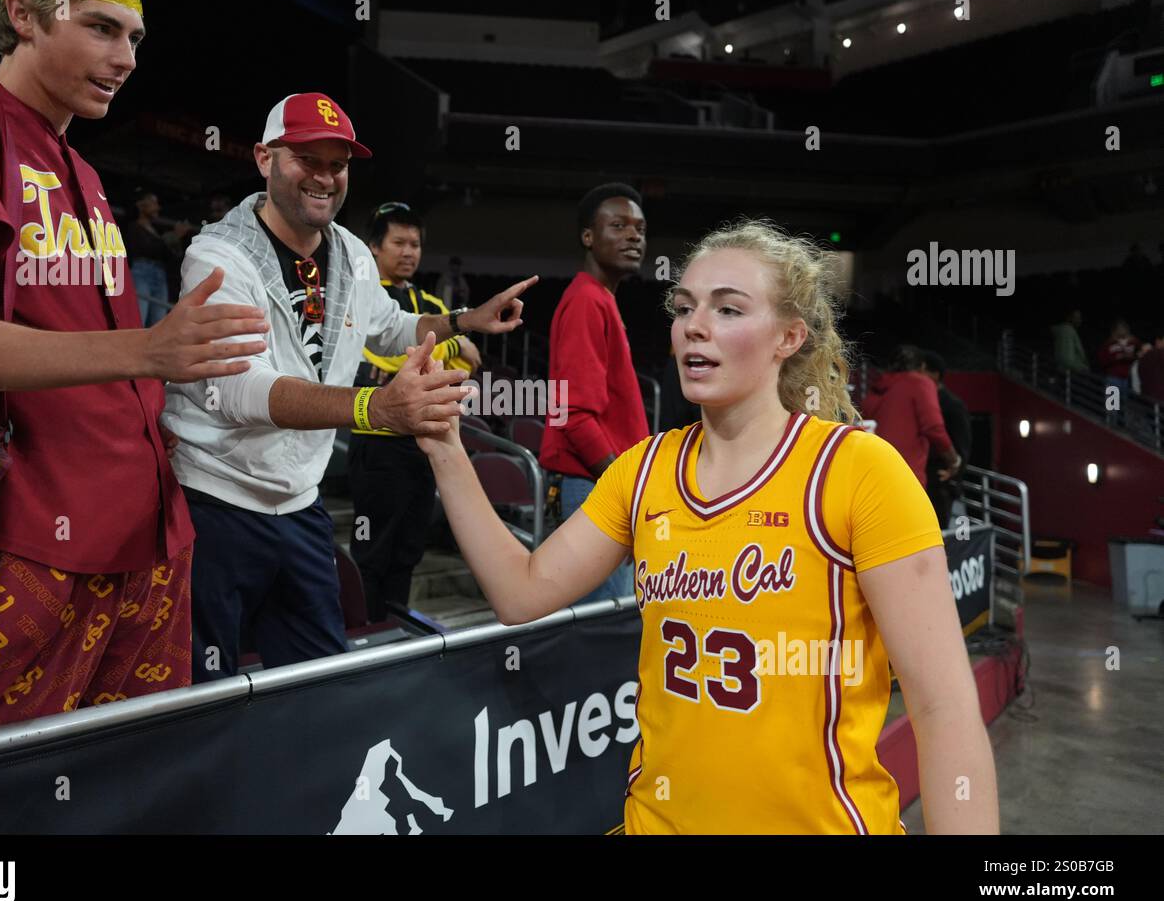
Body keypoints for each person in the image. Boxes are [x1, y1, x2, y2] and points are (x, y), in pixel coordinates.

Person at [413, 219, 998, 833]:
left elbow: (944, 710)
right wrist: (446, 447)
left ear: (788, 337)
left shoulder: (858, 471)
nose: (695, 325)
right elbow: (520, 590)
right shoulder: (643, 471)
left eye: (728, 309)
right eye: (685, 307)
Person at [0, 0, 267, 743]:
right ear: (22, 14)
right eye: (100, 28)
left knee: (129, 793)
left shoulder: (83, 168)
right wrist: (150, 350)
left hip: (154, 534)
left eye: (136, 38)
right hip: (28, 536)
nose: (127, 58)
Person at [160, 92, 534, 681]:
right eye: (307, 158)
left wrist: (463, 320)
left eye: (338, 164)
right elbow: (237, 390)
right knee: (203, 692)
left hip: (299, 503)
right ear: (264, 158)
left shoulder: (354, 254)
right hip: (216, 503)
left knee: (321, 685)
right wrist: (374, 407)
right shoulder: (218, 257)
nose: (325, 177)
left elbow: (390, 329)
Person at [349, 202, 483, 621]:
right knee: (373, 550)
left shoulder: (427, 301)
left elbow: (466, 365)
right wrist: (448, 343)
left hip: (423, 443)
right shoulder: (362, 299)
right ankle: (361, 634)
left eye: (415, 244)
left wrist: (440, 348)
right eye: (399, 242)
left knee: (408, 548)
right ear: (374, 247)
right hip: (378, 441)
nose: (409, 251)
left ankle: (394, 629)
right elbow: (377, 357)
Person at [538, 182, 650, 604]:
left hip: (596, 484)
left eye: (639, 228)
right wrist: (625, 488)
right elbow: (575, 414)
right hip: (595, 485)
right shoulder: (587, 300)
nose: (633, 236)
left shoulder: (599, 298)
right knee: (600, 628)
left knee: (603, 621)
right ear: (588, 236)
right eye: (618, 226)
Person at [860, 345, 961, 490]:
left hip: (873, 477)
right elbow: (934, 428)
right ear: (922, 366)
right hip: (907, 477)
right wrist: (954, 461)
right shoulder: (920, 383)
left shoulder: (876, 389)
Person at [125, 188, 191, 326]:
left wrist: (175, 239)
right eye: (153, 202)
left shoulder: (156, 232)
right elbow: (147, 249)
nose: (157, 207)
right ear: (141, 205)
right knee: (139, 318)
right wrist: (173, 236)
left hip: (159, 274)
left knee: (158, 322)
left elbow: (170, 256)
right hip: (142, 272)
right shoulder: (133, 227)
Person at [920, 350, 971, 529]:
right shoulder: (922, 399)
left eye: (922, 369)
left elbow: (963, 444)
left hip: (941, 480)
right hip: (925, 476)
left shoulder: (952, 404)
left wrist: (954, 472)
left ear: (935, 374)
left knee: (940, 534)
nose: (918, 375)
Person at [1050, 307, 1089, 373]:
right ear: (1069, 318)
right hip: (1074, 368)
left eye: (1080, 318)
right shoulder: (1071, 331)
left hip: (1060, 367)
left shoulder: (1058, 330)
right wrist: (1086, 365)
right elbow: (1080, 351)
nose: (1079, 320)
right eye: (1076, 318)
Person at [1134, 325, 1164, 402]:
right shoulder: (1156, 354)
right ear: (1158, 341)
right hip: (1158, 397)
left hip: (1149, 397)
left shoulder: (1144, 358)